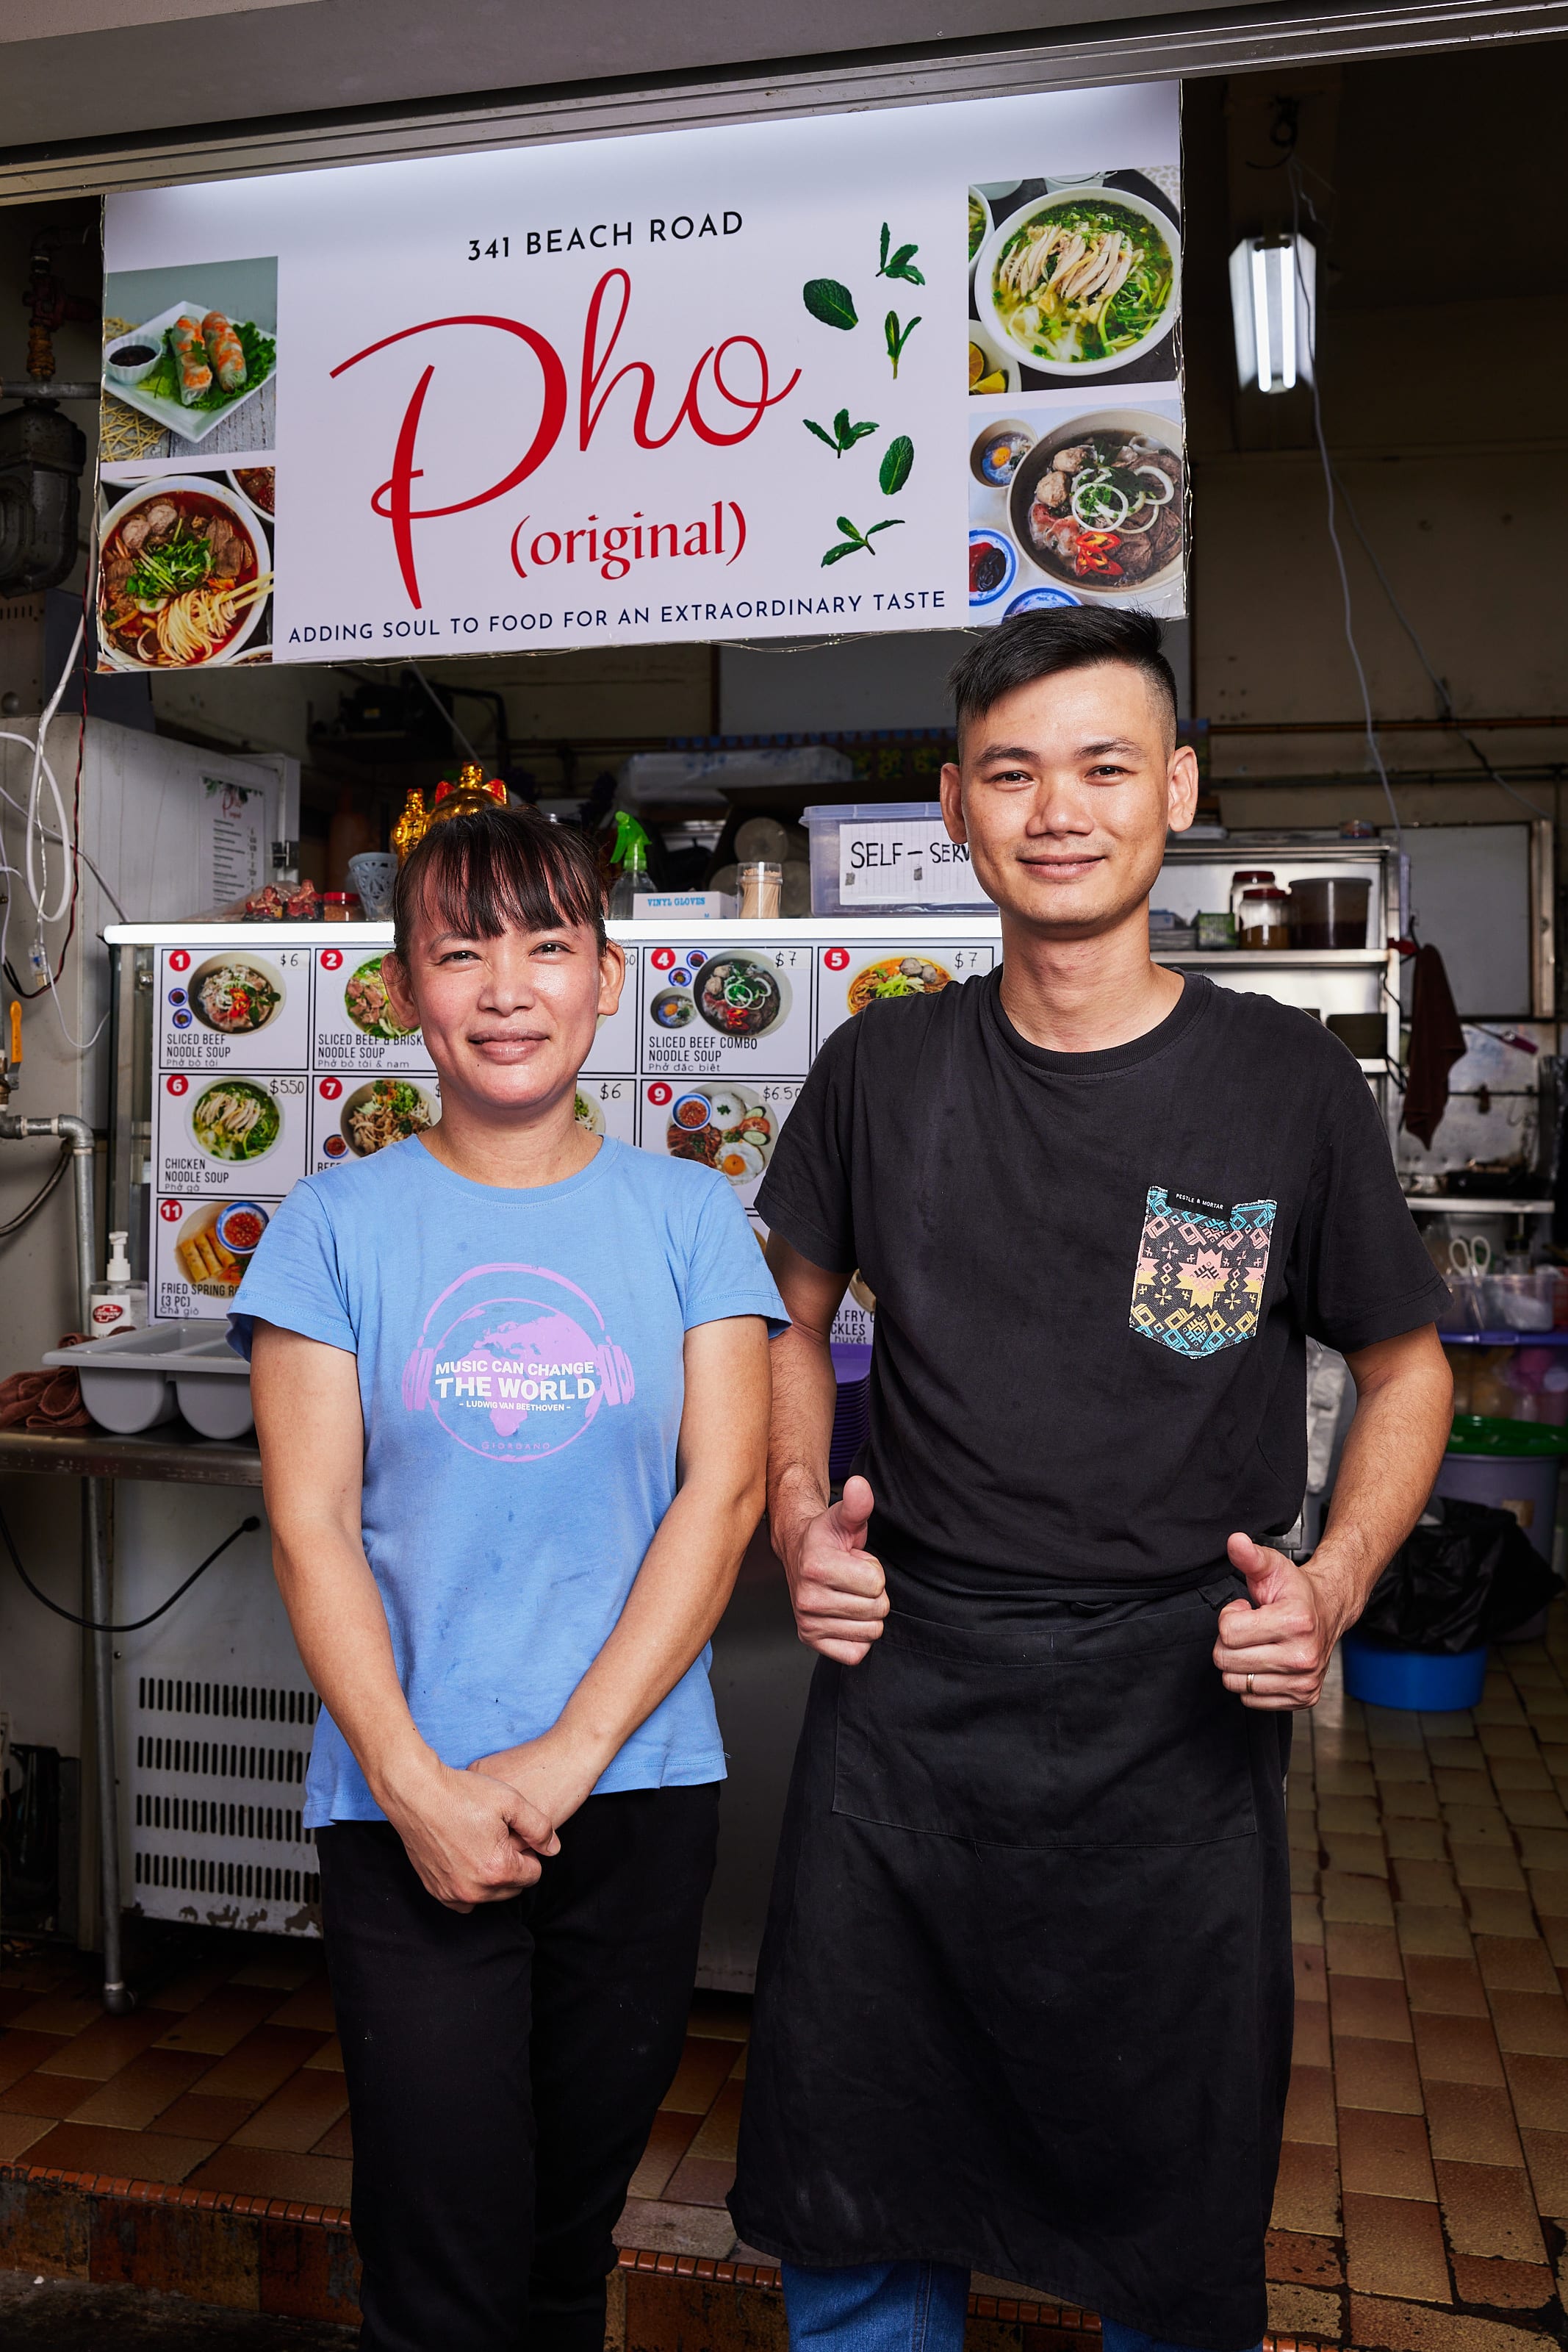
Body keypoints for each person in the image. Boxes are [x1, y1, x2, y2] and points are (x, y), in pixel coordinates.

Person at [729, 609, 1453, 2352]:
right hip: (907, 1684)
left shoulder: (1283, 1082)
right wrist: (788, 1510)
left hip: (1172, 1704)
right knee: (861, 2177)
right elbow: (774, 1313)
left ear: (1174, 793)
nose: (1058, 808)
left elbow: (1402, 1364)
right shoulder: (879, 1071)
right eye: (1012, 771)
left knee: (1169, 2207)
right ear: (958, 811)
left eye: (1104, 765)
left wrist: (1332, 1584)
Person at [235, 806, 784, 2352]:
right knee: (438, 2249)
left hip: (636, 1791)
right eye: (459, 949)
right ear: (405, 988)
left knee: (562, 2239)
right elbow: (311, 1525)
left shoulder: (685, 1215)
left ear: (606, 978)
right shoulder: (332, 1227)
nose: (506, 985)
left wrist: (565, 1753)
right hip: (402, 1803)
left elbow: (722, 1492)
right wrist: (416, 1781)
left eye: (547, 945)